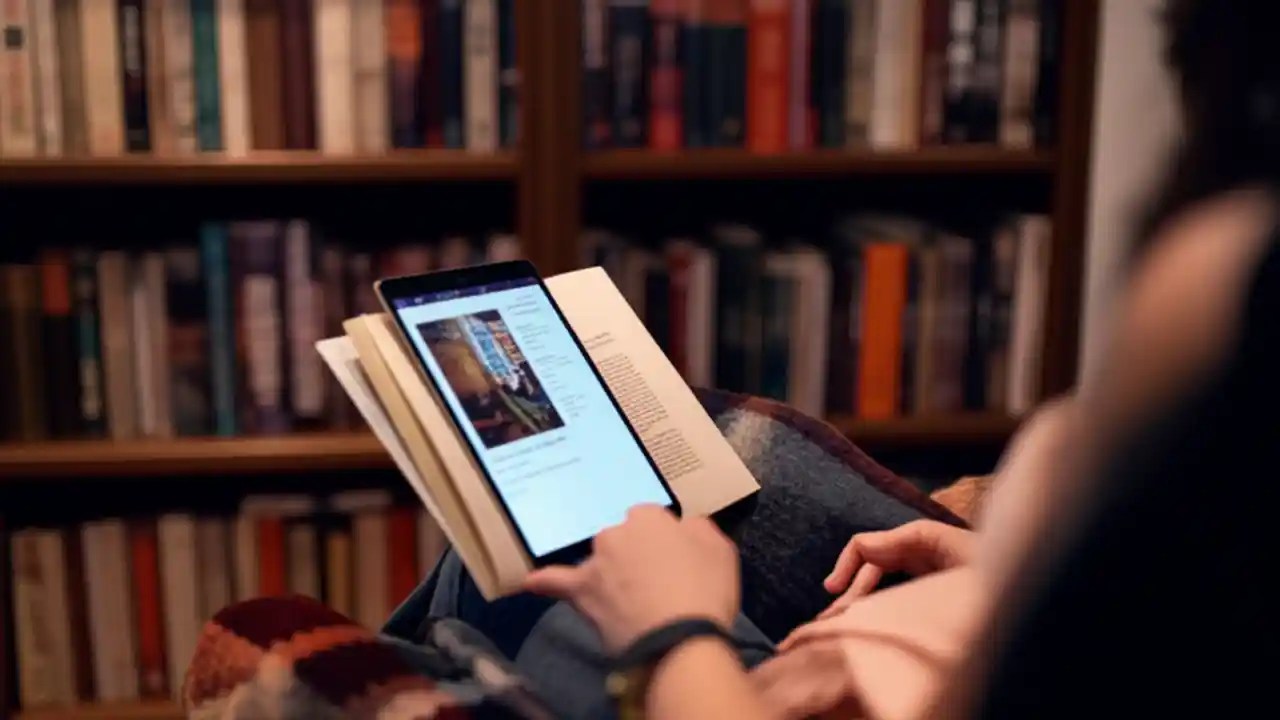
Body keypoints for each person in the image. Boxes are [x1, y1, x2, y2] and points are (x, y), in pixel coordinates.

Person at [409, 0, 1280, 716]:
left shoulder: (1222, 286)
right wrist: (1008, 577)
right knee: (628, 504)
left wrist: (674, 632)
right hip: (948, 623)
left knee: (518, 581)